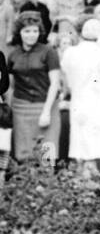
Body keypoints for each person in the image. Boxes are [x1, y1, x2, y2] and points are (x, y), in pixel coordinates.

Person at [58, 16, 100, 173]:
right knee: (97, 145)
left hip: (79, 102)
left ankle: (83, 179)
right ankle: (95, 180)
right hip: (98, 102)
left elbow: (64, 77)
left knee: (81, 143)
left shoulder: (70, 52)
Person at [6, 13, 62, 166]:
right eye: (27, 31)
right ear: (20, 33)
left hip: (46, 105)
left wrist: (46, 111)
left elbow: (55, 83)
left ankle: (47, 188)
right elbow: (9, 85)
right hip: (21, 109)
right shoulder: (13, 55)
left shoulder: (48, 52)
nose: (31, 35)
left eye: (35, 31)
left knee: (46, 155)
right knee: (24, 155)